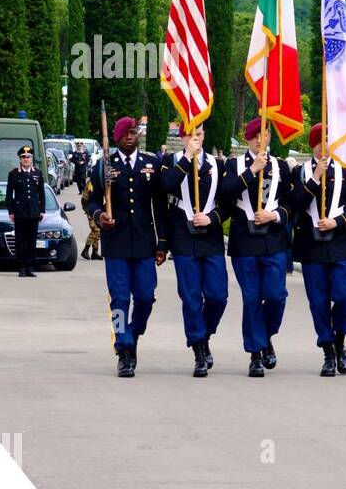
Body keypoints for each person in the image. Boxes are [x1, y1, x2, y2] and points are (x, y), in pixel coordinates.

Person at [88, 117, 169, 377]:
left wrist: (162, 242)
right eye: (126, 133)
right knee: (120, 300)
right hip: (116, 245)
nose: (131, 136)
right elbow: (89, 200)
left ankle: (133, 334)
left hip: (144, 244)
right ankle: (123, 350)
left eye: (134, 132)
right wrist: (100, 214)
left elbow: (160, 205)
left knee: (146, 296)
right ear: (117, 137)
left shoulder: (151, 165)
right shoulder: (104, 166)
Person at [219, 117, 293, 378]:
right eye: (255, 135)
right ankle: (255, 353)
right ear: (248, 138)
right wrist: (251, 171)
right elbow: (225, 193)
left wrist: (276, 216)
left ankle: (266, 335)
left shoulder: (281, 166)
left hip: (273, 240)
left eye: (265, 134)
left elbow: (290, 203)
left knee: (276, 296)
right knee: (251, 298)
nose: (261, 139)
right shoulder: (234, 164)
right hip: (244, 242)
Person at [290, 124, 346, 377]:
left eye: (328, 141)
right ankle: (328, 349)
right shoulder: (300, 172)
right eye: (320, 141)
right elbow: (296, 203)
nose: (324, 146)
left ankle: (340, 338)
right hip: (311, 246)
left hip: (339, 243)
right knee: (318, 302)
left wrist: (338, 221)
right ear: (312, 145)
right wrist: (314, 177)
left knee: (343, 296)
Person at [160, 123, 228, 378]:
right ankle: (199, 347)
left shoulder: (217, 165)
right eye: (191, 135)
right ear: (183, 137)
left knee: (217, 295)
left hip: (209, 237)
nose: (196, 139)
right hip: (183, 237)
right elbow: (166, 186)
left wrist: (213, 218)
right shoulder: (171, 161)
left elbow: (227, 204)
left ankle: (205, 333)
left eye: (199, 134)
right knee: (190, 297)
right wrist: (188, 157)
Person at [5, 146, 46, 278]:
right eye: (23, 157)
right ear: (20, 159)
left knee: (31, 240)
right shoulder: (13, 174)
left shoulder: (38, 173)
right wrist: (11, 211)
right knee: (20, 241)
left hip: (34, 212)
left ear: (32, 158)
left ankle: (30, 267)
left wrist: (42, 210)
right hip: (20, 212)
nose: (26, 159)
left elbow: (41, 193)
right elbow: (8, 195)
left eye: (28, 157)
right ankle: (21, 267)